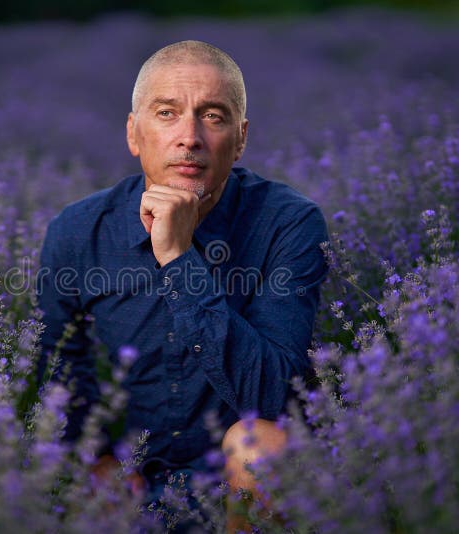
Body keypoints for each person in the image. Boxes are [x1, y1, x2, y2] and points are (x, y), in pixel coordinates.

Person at [36, 40, 328, 530]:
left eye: (212, 116)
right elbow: (61, 376)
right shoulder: (78, 231)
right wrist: (96, 458)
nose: (189, 136)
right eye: (167, 113)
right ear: (134, 133)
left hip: (241, 484)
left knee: (263, 446)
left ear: (240, 139)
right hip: (127, 479)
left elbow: (273, 395)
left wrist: (177, 257)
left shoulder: (289, 224)